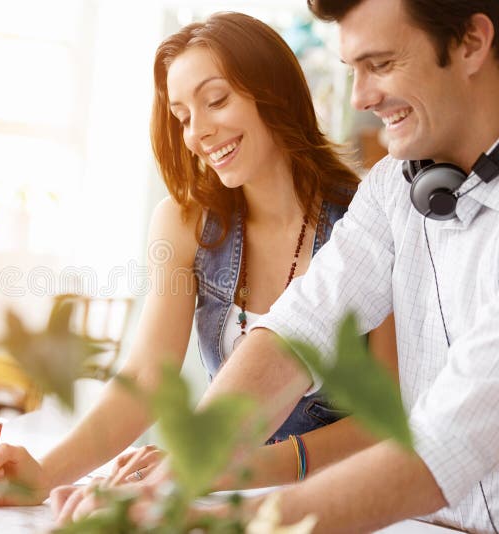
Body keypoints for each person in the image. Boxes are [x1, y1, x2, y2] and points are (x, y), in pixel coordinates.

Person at [0, 11, 397, 516]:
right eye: (183, 115)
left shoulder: (367, 219)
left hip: (351, 506)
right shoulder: (186, 223)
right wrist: (44, 475)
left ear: (274, 91)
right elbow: (146, 377)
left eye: (216, 100)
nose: (197, 133)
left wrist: (221, 468)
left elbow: (388, 421)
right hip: (216, 497)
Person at [84, 0, 499, 532]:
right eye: (354, 70)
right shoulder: (394, 188)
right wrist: (179, 476)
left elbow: (441, 450)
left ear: (470, 43)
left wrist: (213, 518)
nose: (361, 97)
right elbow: (296, 329)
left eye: (383, 64)